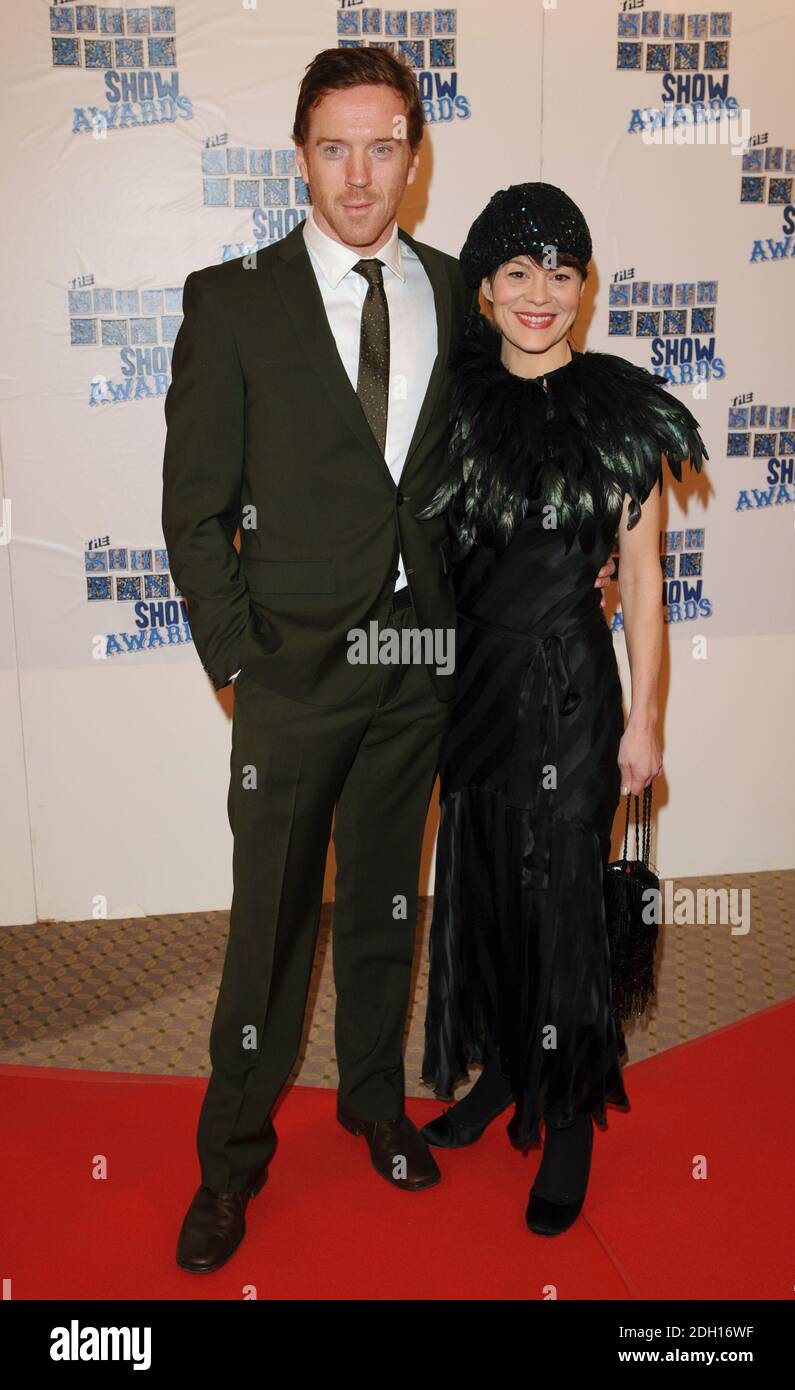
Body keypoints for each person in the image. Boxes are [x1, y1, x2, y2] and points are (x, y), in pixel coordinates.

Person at [162, 51, 614, 1275]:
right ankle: (230, 1161)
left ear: (414, 158)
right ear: (299, 155)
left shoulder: (465, 292)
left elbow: (515, 453)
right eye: (333, 147)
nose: (359, 174)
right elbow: (193, 513)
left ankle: (373, 1101)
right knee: (268, 929)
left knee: (382, 906)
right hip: (291, 670)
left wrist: (579, 557)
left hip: (422, 662)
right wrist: (238, 662)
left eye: (383, 146)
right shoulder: (232, 301)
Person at [417, 183, 707, 1236]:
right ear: (483, 291)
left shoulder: (615, 411)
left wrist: (643, 720)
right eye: (516, 271)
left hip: (576, 694)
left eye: (561, 271)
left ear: (584, 289)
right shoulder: (448, 405)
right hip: (478, 692)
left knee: (565, 910)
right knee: (487, 887)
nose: (540, 293)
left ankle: (570, 1117)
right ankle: (503, 1077)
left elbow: (638, 578)